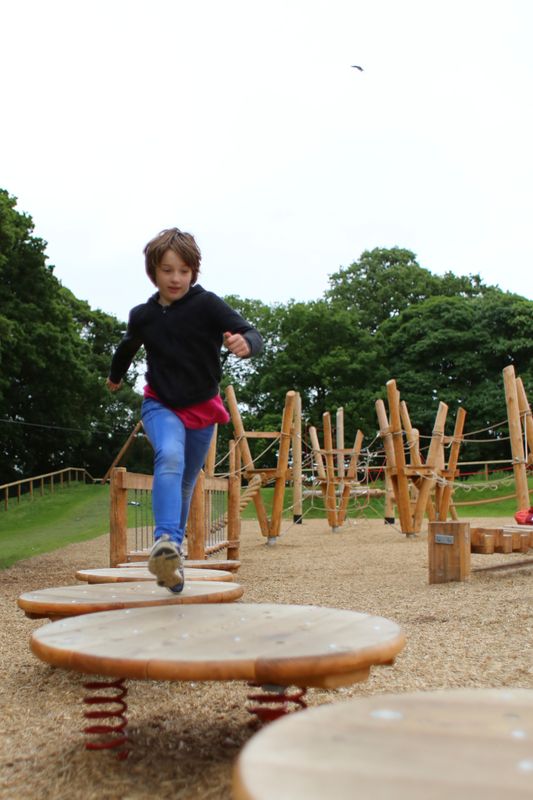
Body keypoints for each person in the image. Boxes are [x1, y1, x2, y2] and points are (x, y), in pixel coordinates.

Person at [107, 227, 263, 593]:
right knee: (170, 458)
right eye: (167, 270)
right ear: (153, 271)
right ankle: (164, 540)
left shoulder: (206, 304)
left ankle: (170, 560)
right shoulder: (143, 314)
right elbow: (127, 347)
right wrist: (115, 377)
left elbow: (251, 332)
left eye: (183, 270)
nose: (176, 278)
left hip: (202, 408)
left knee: (187, 481)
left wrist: (246, 344)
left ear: (193, 272)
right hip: (160, 403)